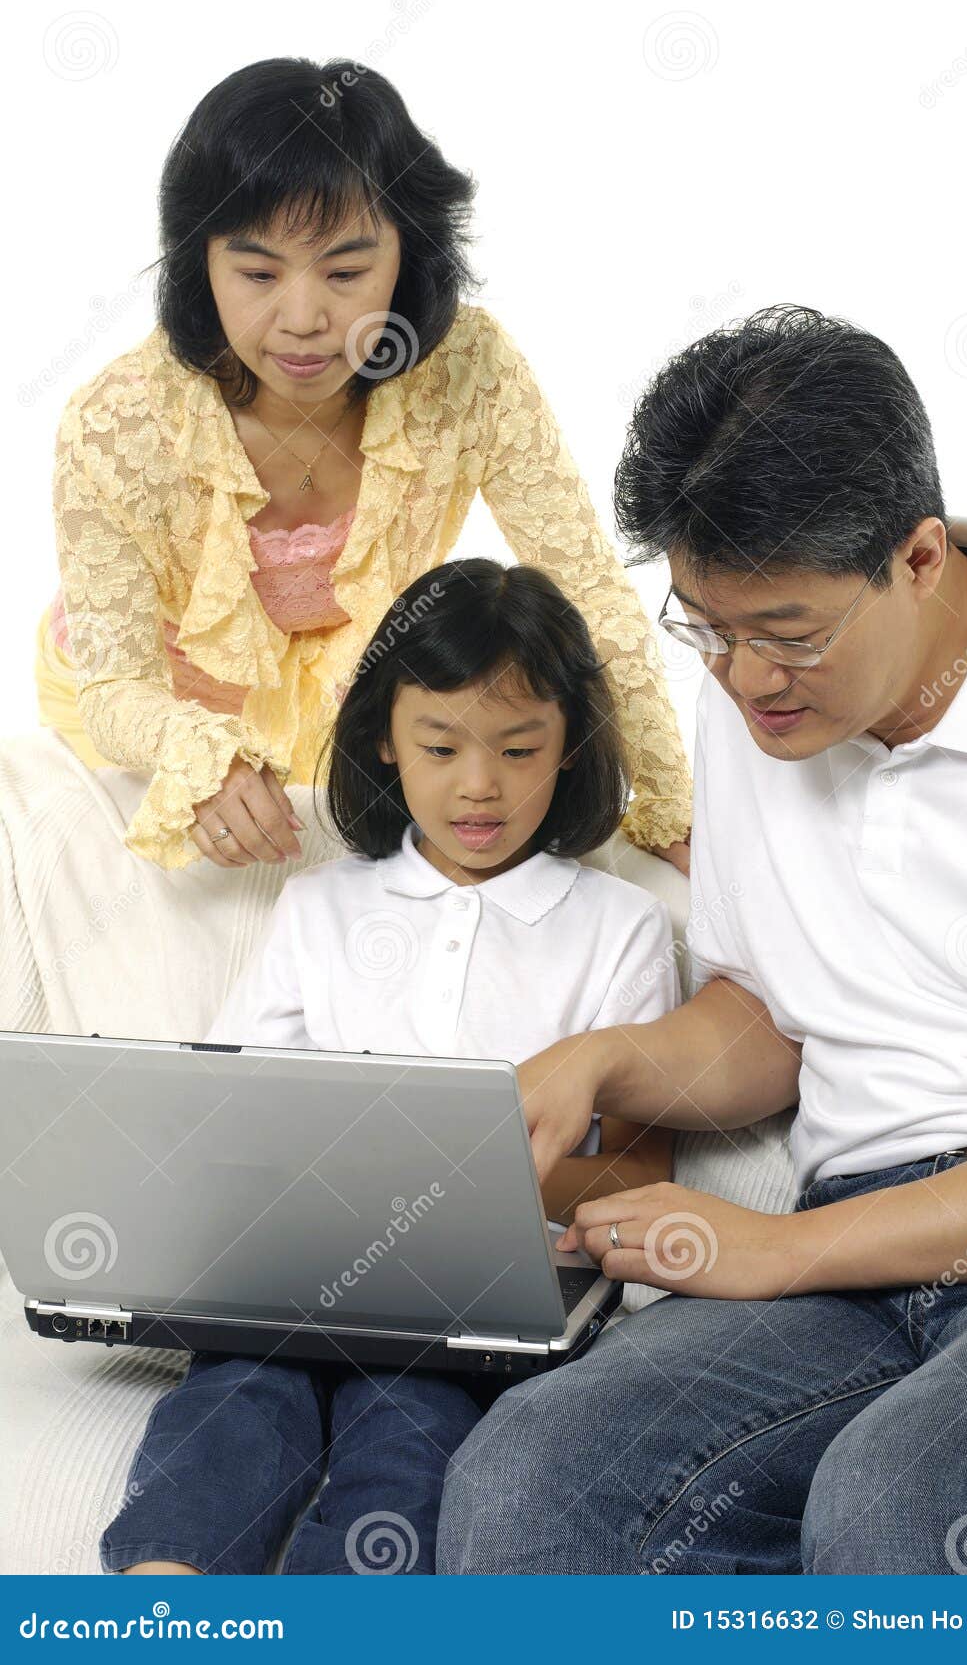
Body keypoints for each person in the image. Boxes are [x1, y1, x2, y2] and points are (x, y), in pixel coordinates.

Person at [436, 305, 967, 1576]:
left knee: (902, 1503)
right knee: (526, 1477)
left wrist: (783, 1248)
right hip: (851, 1252)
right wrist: (606, 1064)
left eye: (787, 633)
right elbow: (772, 1016)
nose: (743, 679)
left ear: (922, 558)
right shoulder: (755, 703)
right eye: (706, 629)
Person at [99, 559, 680, 1576]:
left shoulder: (615, 927)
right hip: (300, 1271)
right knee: (235, 1390)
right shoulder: (324, 905)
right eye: (441, 746)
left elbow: (640, 1176)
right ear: (383, 739)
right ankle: (165, 1596)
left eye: (519, 748)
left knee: (408, 1425)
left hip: (483, 1294)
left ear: (570, 746)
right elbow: (230, 1114)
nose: (480, 785)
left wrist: (480, 1174)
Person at [39, 56, 692, 875]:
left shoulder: (467, 369)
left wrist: (667, 800)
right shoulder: (117, 421)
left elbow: (585, 587)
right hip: (159, 706)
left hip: (363, 689)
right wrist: (195, 753)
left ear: (406, 256)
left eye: (347, 272)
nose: (305, 319)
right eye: (257, 273)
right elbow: (114, 687)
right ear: (199, 264)